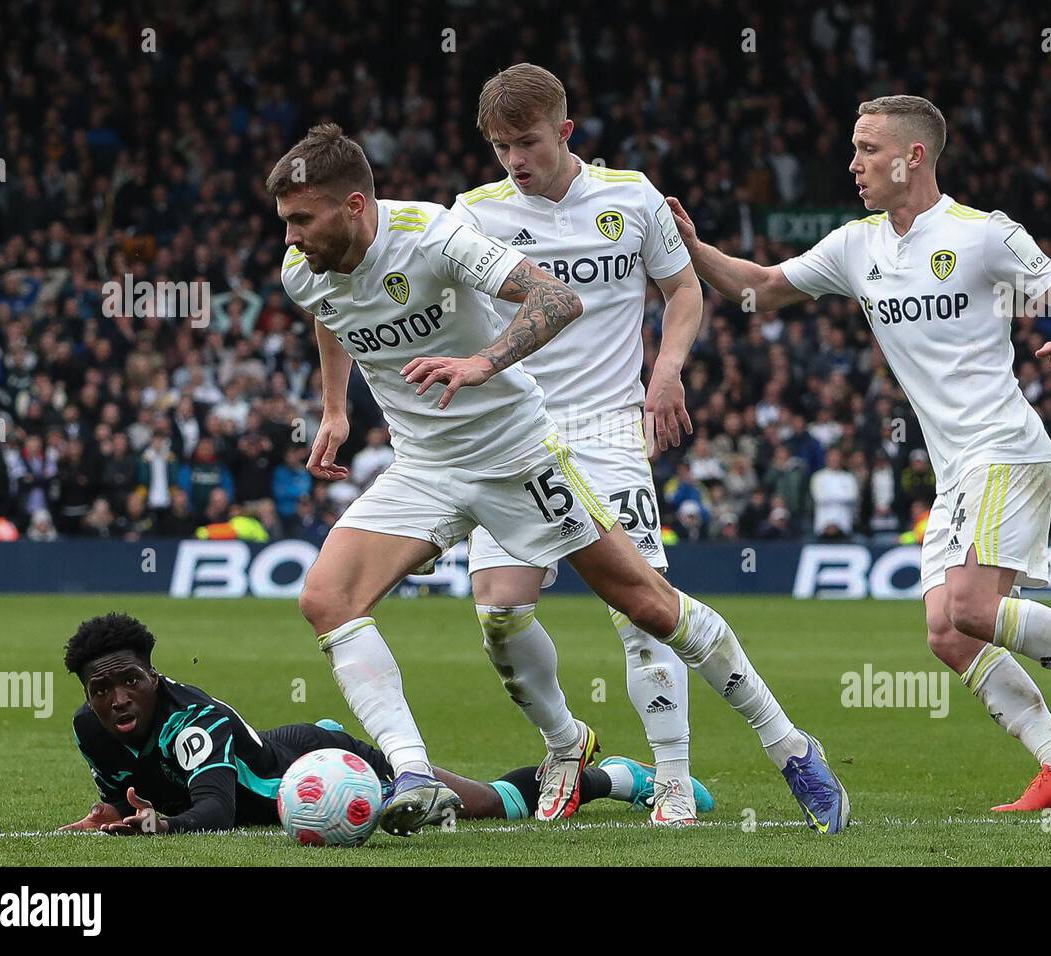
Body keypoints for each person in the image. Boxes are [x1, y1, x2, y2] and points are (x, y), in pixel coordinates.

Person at [269, 124, 848, 835]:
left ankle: (789, 745)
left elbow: (554, 300)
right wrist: (334, 409)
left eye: (302, 219)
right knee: (328, 598)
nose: (291, 237)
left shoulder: (435, 236)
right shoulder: (304, 269)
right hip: (425, 467)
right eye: (286, 222)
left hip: (518, 456)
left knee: (649, 605)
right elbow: (330, 312)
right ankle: (416, 769)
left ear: (355, 205)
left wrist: (481, 364)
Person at [667, 94, 1051, 811]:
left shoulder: (983, 235)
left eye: (867, 149)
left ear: (914, 156)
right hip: (954, 469)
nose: (853, 163)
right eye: (853, 148)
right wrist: (693, 247)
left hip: (1004, 448)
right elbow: (763, 289)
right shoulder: (855, 245)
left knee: (970, 608)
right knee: (947, 632)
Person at [450, 64, 706, 825]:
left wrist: (667, 371)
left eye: (526, 142)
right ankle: (566, 741)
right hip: (511, 435)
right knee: (499, 612)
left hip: (606, 430)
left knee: (643, 611)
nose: (514, 160)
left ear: (565, 131)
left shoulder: (630, 196)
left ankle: (670, 776)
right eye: (499, 147)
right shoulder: (470, 213)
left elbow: (684, 288)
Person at [59, 613, 710, 835]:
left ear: (155, 677)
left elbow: (218, 809)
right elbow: (124, 793)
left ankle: (616, 778)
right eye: (101, 689)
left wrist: (165, 826)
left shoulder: (194, 722)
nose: (117, 699)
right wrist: (109, 811)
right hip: (280, 752)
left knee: (480, 806)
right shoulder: (90, 728)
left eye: (130, 681)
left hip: (313, 762)